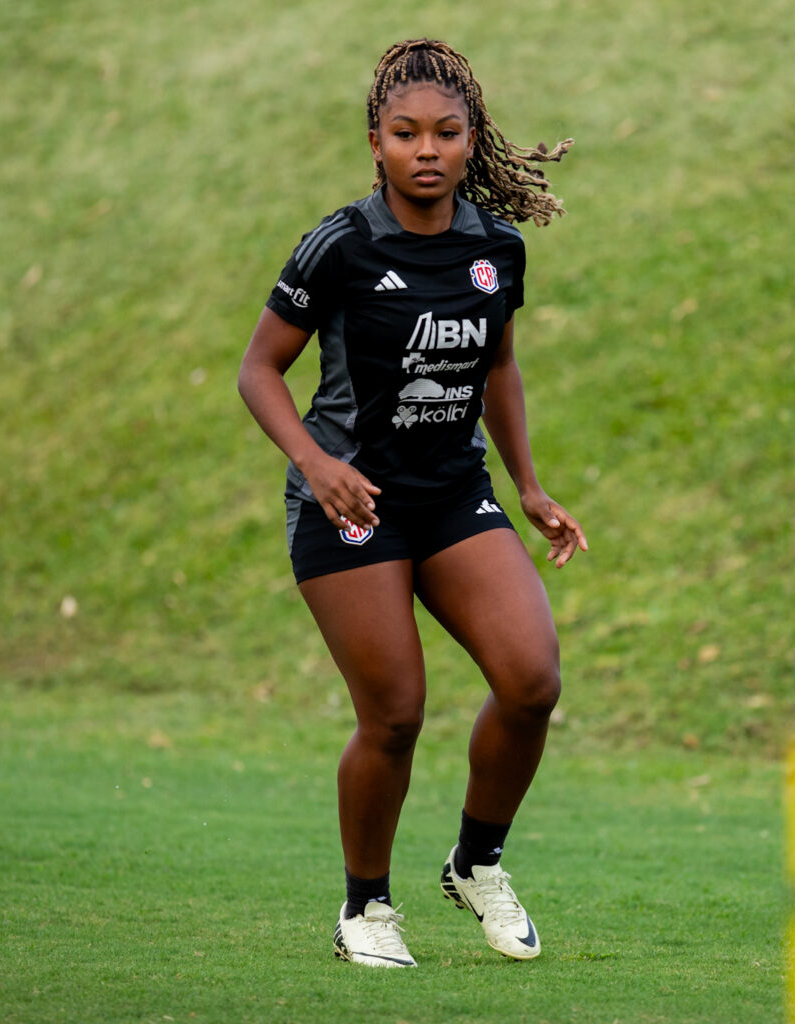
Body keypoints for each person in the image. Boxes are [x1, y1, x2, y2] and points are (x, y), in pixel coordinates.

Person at [237, 38, 586, 968]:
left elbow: (499, 367)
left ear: (473, 141)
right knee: (394, 714)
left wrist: (530, 487)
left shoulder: (495, 249)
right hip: (349, 500)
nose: (426, 149)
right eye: (405, 134)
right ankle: (366, 908)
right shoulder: (341, 246)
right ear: (375, 142)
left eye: (446, 132)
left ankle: (475, 865)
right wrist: (315, 463)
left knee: (532, 680)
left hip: (450, 492)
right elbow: (258, 369)